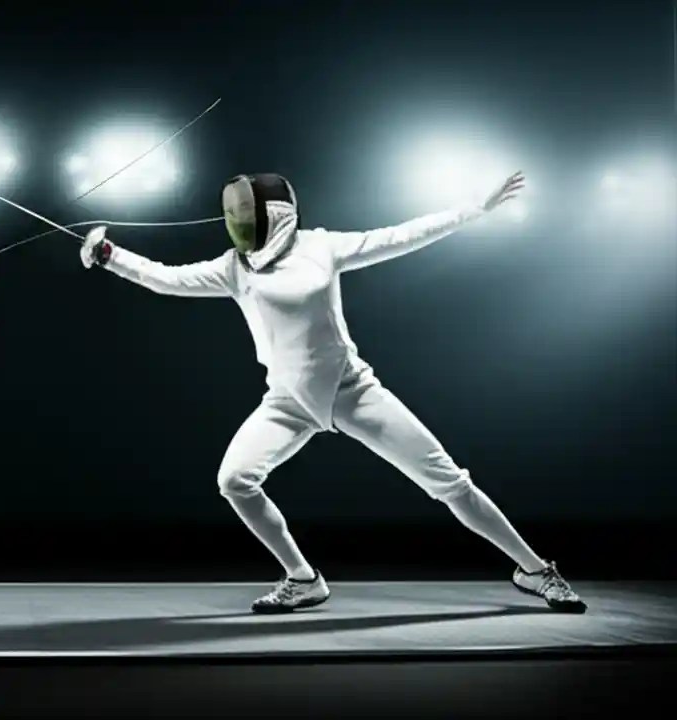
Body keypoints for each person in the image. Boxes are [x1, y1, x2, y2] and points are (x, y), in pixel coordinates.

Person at [77, 171, 587, 614]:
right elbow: (167, 281)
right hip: (287, 402)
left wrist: (475, 209)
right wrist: (109, 254)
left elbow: (402, 236)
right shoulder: (235, 269)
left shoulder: (321, 247)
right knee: (234, 480)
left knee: (449, 483)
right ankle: (303, 580)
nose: (237, 224)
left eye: (245, 213)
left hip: (352, 392)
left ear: (273, 215)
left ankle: (535, 570)